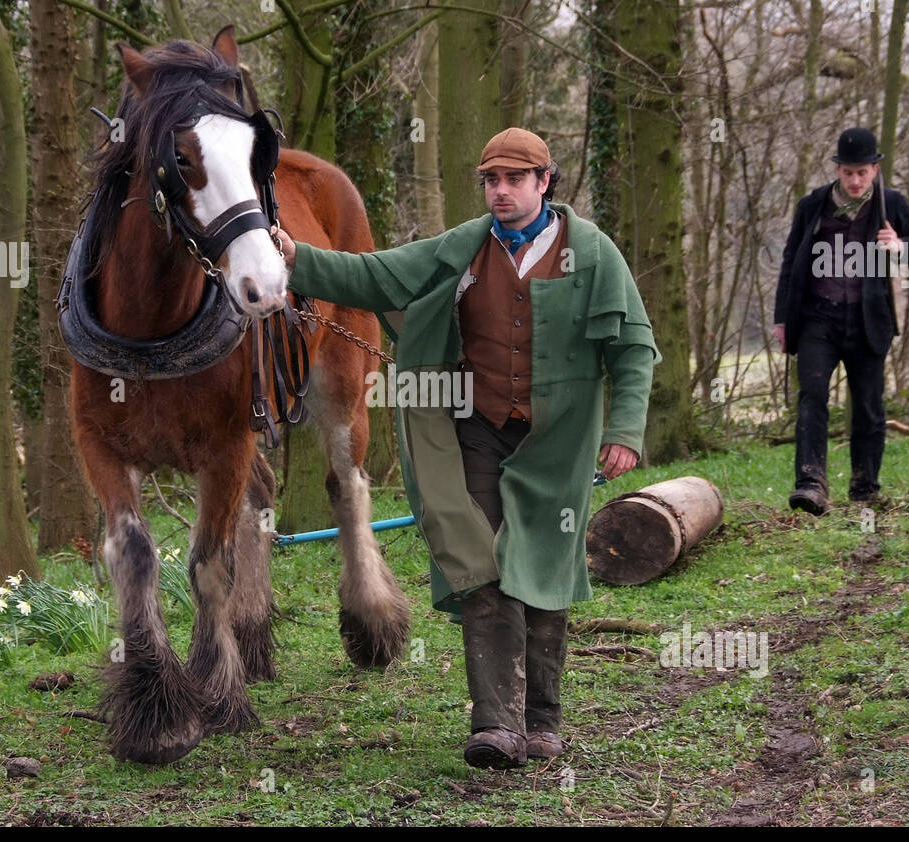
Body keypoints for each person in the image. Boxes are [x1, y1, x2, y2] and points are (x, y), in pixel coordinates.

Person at [274, 127, 659, 768]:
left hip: (557, 442)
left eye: (514, 180)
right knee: (480, 561)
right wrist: (298, 258)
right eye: (491, 180)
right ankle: (496, 725)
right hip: (473, 431)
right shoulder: (466, 246)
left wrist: (622, 430)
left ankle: (543, 722)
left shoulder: (590, 254)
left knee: (543, 569)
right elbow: (379, 277)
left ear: (544, 183)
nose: (501, 191)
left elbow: (634, 346)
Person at [773, 127, 909, 515]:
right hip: (816, 319)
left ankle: (865, 487)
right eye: (848, 173)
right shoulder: (813, 205)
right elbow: (791, 261)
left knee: (869, 406)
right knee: (811, 396)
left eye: (862, 172)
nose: (855, 180)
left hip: (868, 321)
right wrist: (781, 320)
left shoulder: (892, 204)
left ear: (875, 170)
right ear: (838, 171)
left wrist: (900, 246)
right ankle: (810, 484)